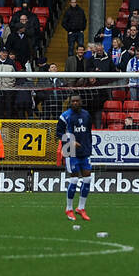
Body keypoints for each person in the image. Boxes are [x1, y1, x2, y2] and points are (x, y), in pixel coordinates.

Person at [56, 93, 93, 221]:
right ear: (70, 102)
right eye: (73, 101)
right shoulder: (65, 116)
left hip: (84, 151)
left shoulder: (86, 115)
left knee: (88, 179)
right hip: (70, 151)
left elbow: (88, 133)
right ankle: (69, 209)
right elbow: (58, 134)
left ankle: (81, 208)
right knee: (74, 180)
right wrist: (70, 141)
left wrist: (88, 148)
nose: (75, 103)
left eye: (77, 101)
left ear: (81, 102)